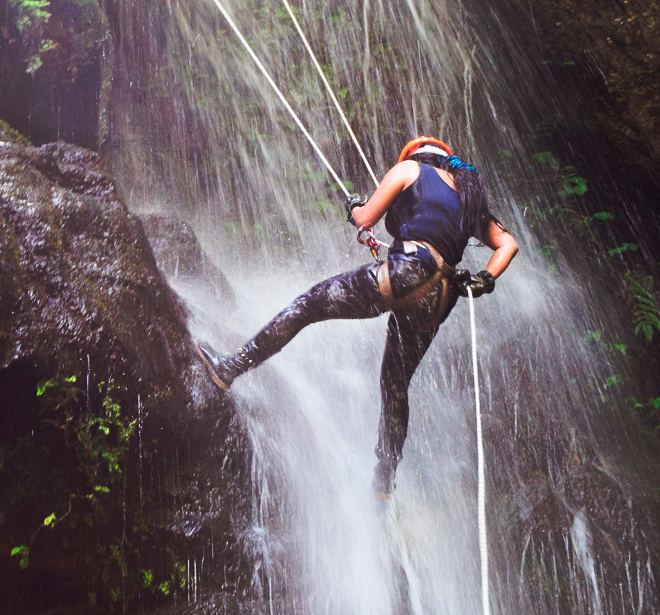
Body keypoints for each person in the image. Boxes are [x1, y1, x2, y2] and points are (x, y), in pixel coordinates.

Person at [196, 136, 521, 496]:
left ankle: (231, 367)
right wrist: (484, 278)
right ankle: (384, 479)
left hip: (406, 272)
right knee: (395, 385)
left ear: (416, 156)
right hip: (440, 299)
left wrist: (354, 208)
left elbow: (366, 217)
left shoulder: (409, 169)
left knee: (308, 306)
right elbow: (509, 243)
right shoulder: (468, 197)